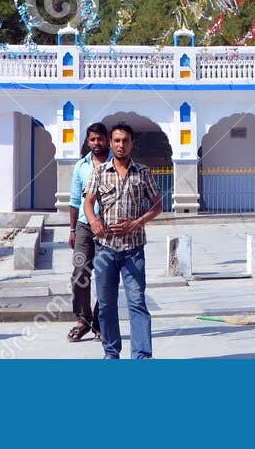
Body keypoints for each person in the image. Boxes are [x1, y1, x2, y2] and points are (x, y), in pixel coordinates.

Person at [83, 123, 161, 359]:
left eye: (125, 140)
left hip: (133, 250)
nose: (120, 145)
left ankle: (142, 356)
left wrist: (136, 223)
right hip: (105, 249)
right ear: (110, 142)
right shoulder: (99, 172)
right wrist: (94, 221)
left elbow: (158, 206)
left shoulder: (143, 172)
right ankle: (111, 353)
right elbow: (88, 202)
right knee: (106, 305)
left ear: (132, 143)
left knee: (137, 302)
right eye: (116, 140)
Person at [67, 122, 110, 343]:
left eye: (100, 139)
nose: (96, 143)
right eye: (92, 139)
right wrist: (73, 230)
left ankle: (100, 322)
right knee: (79, 273)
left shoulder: (117, 162)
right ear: (87, 141)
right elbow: (75, 201)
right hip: (84, 226)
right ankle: (83, 320)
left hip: (109, 229)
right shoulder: (81, 166)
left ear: (107, 139)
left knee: (106, 275)